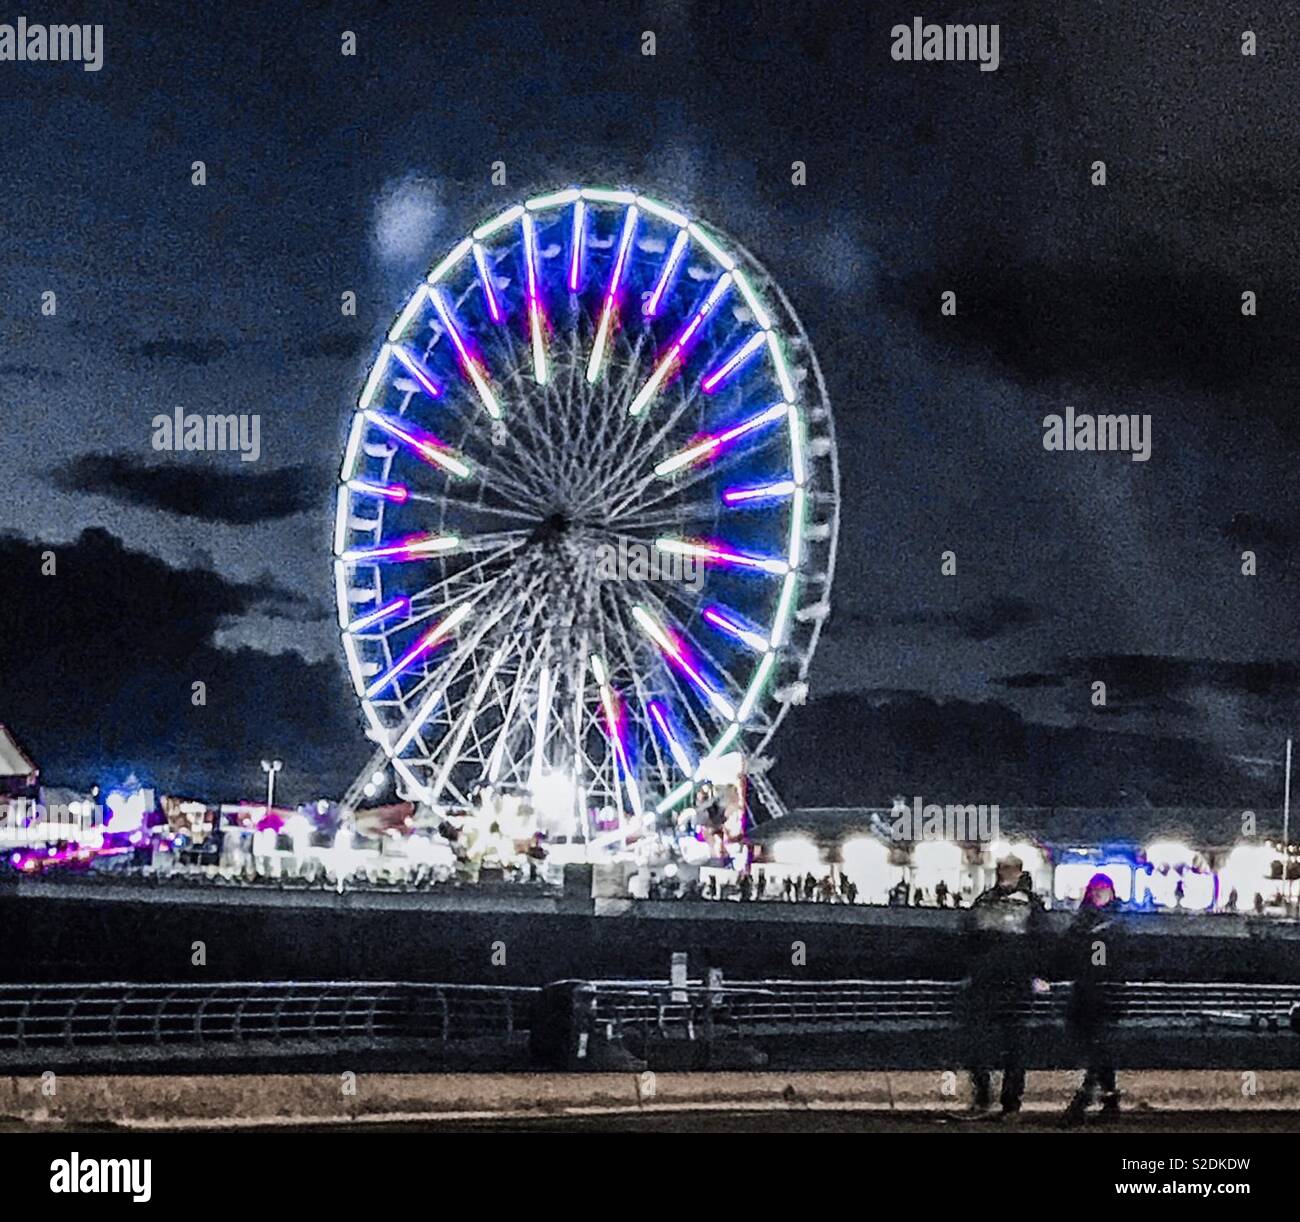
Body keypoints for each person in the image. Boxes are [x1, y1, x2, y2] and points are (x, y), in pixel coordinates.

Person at [962, 853, 1048, 1119]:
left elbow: (1043, 943)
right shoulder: (986, 900)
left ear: (1018, 871)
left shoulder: (1029, 904)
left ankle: (1010, 1103)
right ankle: (984, 1097)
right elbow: (968, 937)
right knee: (977, 1042)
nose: (1005, 873)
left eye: (1010, 869)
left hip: (1015, 982)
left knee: (1014, 1046)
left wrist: (1040, 974)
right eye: (1002, 869)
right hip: (987, 981)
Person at [1063, 873, 1123, 1124]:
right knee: (1097, 1047)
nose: (1099, 893)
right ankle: (1109, 1100)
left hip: (1102, 992)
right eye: (1096, 889)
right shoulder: (1093, 923)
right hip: (1088, 991)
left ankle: (1085, 1097)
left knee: (1097, 1046)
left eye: (1103, 889)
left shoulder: (1099, 924)